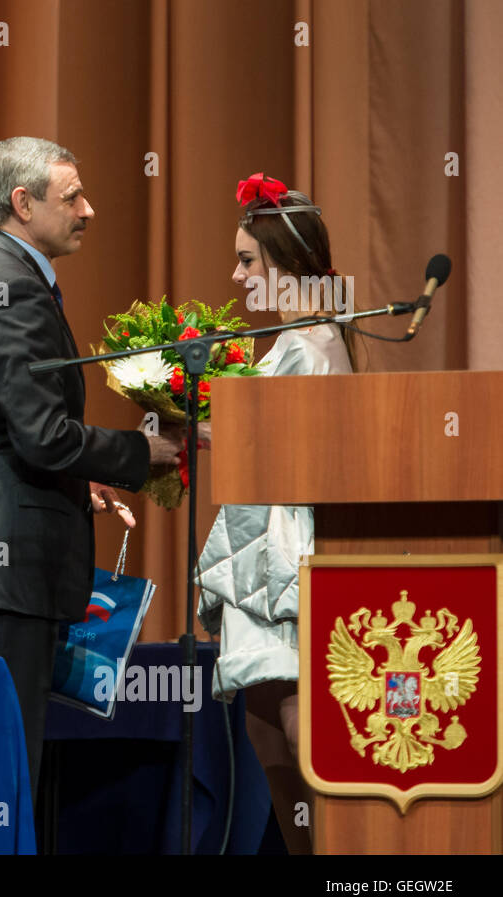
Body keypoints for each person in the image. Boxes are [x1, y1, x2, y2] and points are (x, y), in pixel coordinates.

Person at [0, 137, 184, 789]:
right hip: (2, 565)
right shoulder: (12, 286)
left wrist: (75, 478)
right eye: (72, 197)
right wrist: (143, 452)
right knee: (2, 771)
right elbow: (41, 436)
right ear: (23, 203)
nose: (88, 210)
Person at [196, 173, 353, 854]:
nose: (235, 275)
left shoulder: (310, 347)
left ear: (287, 268)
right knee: (275, 711)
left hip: (287, 552)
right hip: (269, 541)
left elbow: (294, 454)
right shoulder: (295, 341)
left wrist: (191, 423)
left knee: (296, 712)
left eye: (247, 260)